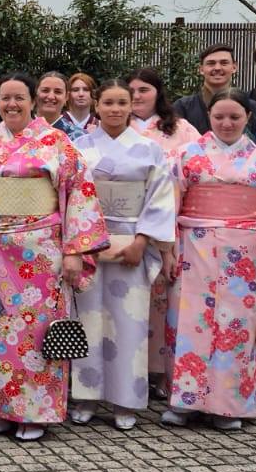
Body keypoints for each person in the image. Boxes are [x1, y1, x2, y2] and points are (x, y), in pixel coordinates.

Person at [0, 73, 108, 441]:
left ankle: (34, 411)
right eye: (6, 98)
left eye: (19, 98)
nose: (12, 105)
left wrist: (75, 250)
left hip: (38, 254)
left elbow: (79, 193)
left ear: (32, 101)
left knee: (33, 331)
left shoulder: (55, 141)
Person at [165, 91, 256, 430]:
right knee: (190, 324)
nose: (226, 124)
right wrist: (167, 248)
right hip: (193, 246)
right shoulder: (186, 155)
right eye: (219, 117)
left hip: (247, 252)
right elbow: (166, 205)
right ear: (209, 117)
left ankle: (230, 405)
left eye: (235, 117)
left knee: (237, 327)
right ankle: (187, 400)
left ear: (248, 117)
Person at [69, 81, 177, 430]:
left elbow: (160, 197)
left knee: (129, 323)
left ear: (132, 106)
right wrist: (78, 241)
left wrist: (142, 241)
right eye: (108, 102)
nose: (115, 109)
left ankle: (125, 401)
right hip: (88, 241)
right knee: (87, 319)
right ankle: (84, 396)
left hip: (132, 240)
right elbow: (68, 197)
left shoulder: (149, 150)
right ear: (96, 105)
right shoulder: (77, 148)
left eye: (122, 103)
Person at [127, 67, 202, 399]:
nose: (136, 96)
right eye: (131, 90)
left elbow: (199, 170)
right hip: (125, 226)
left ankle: (163, 373)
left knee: (167, 300)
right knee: (129, 301)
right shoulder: (113, 126)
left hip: (171, 223)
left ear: (158, 92)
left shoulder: (181, 129)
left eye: (144, 89)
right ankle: (130, 369)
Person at [173, 44, 256, 136]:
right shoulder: (183, 107)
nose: (217, 68)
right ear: (201, 69)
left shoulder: (253, 108)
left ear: (234, 67)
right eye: (211, 63)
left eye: (224, 63)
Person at [36, 71, 87, 140]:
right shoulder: (20, 129)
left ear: (67, 97)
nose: (51, 96)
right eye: (45, 90)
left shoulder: (80, 137)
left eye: (58, 92)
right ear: (35, 93)